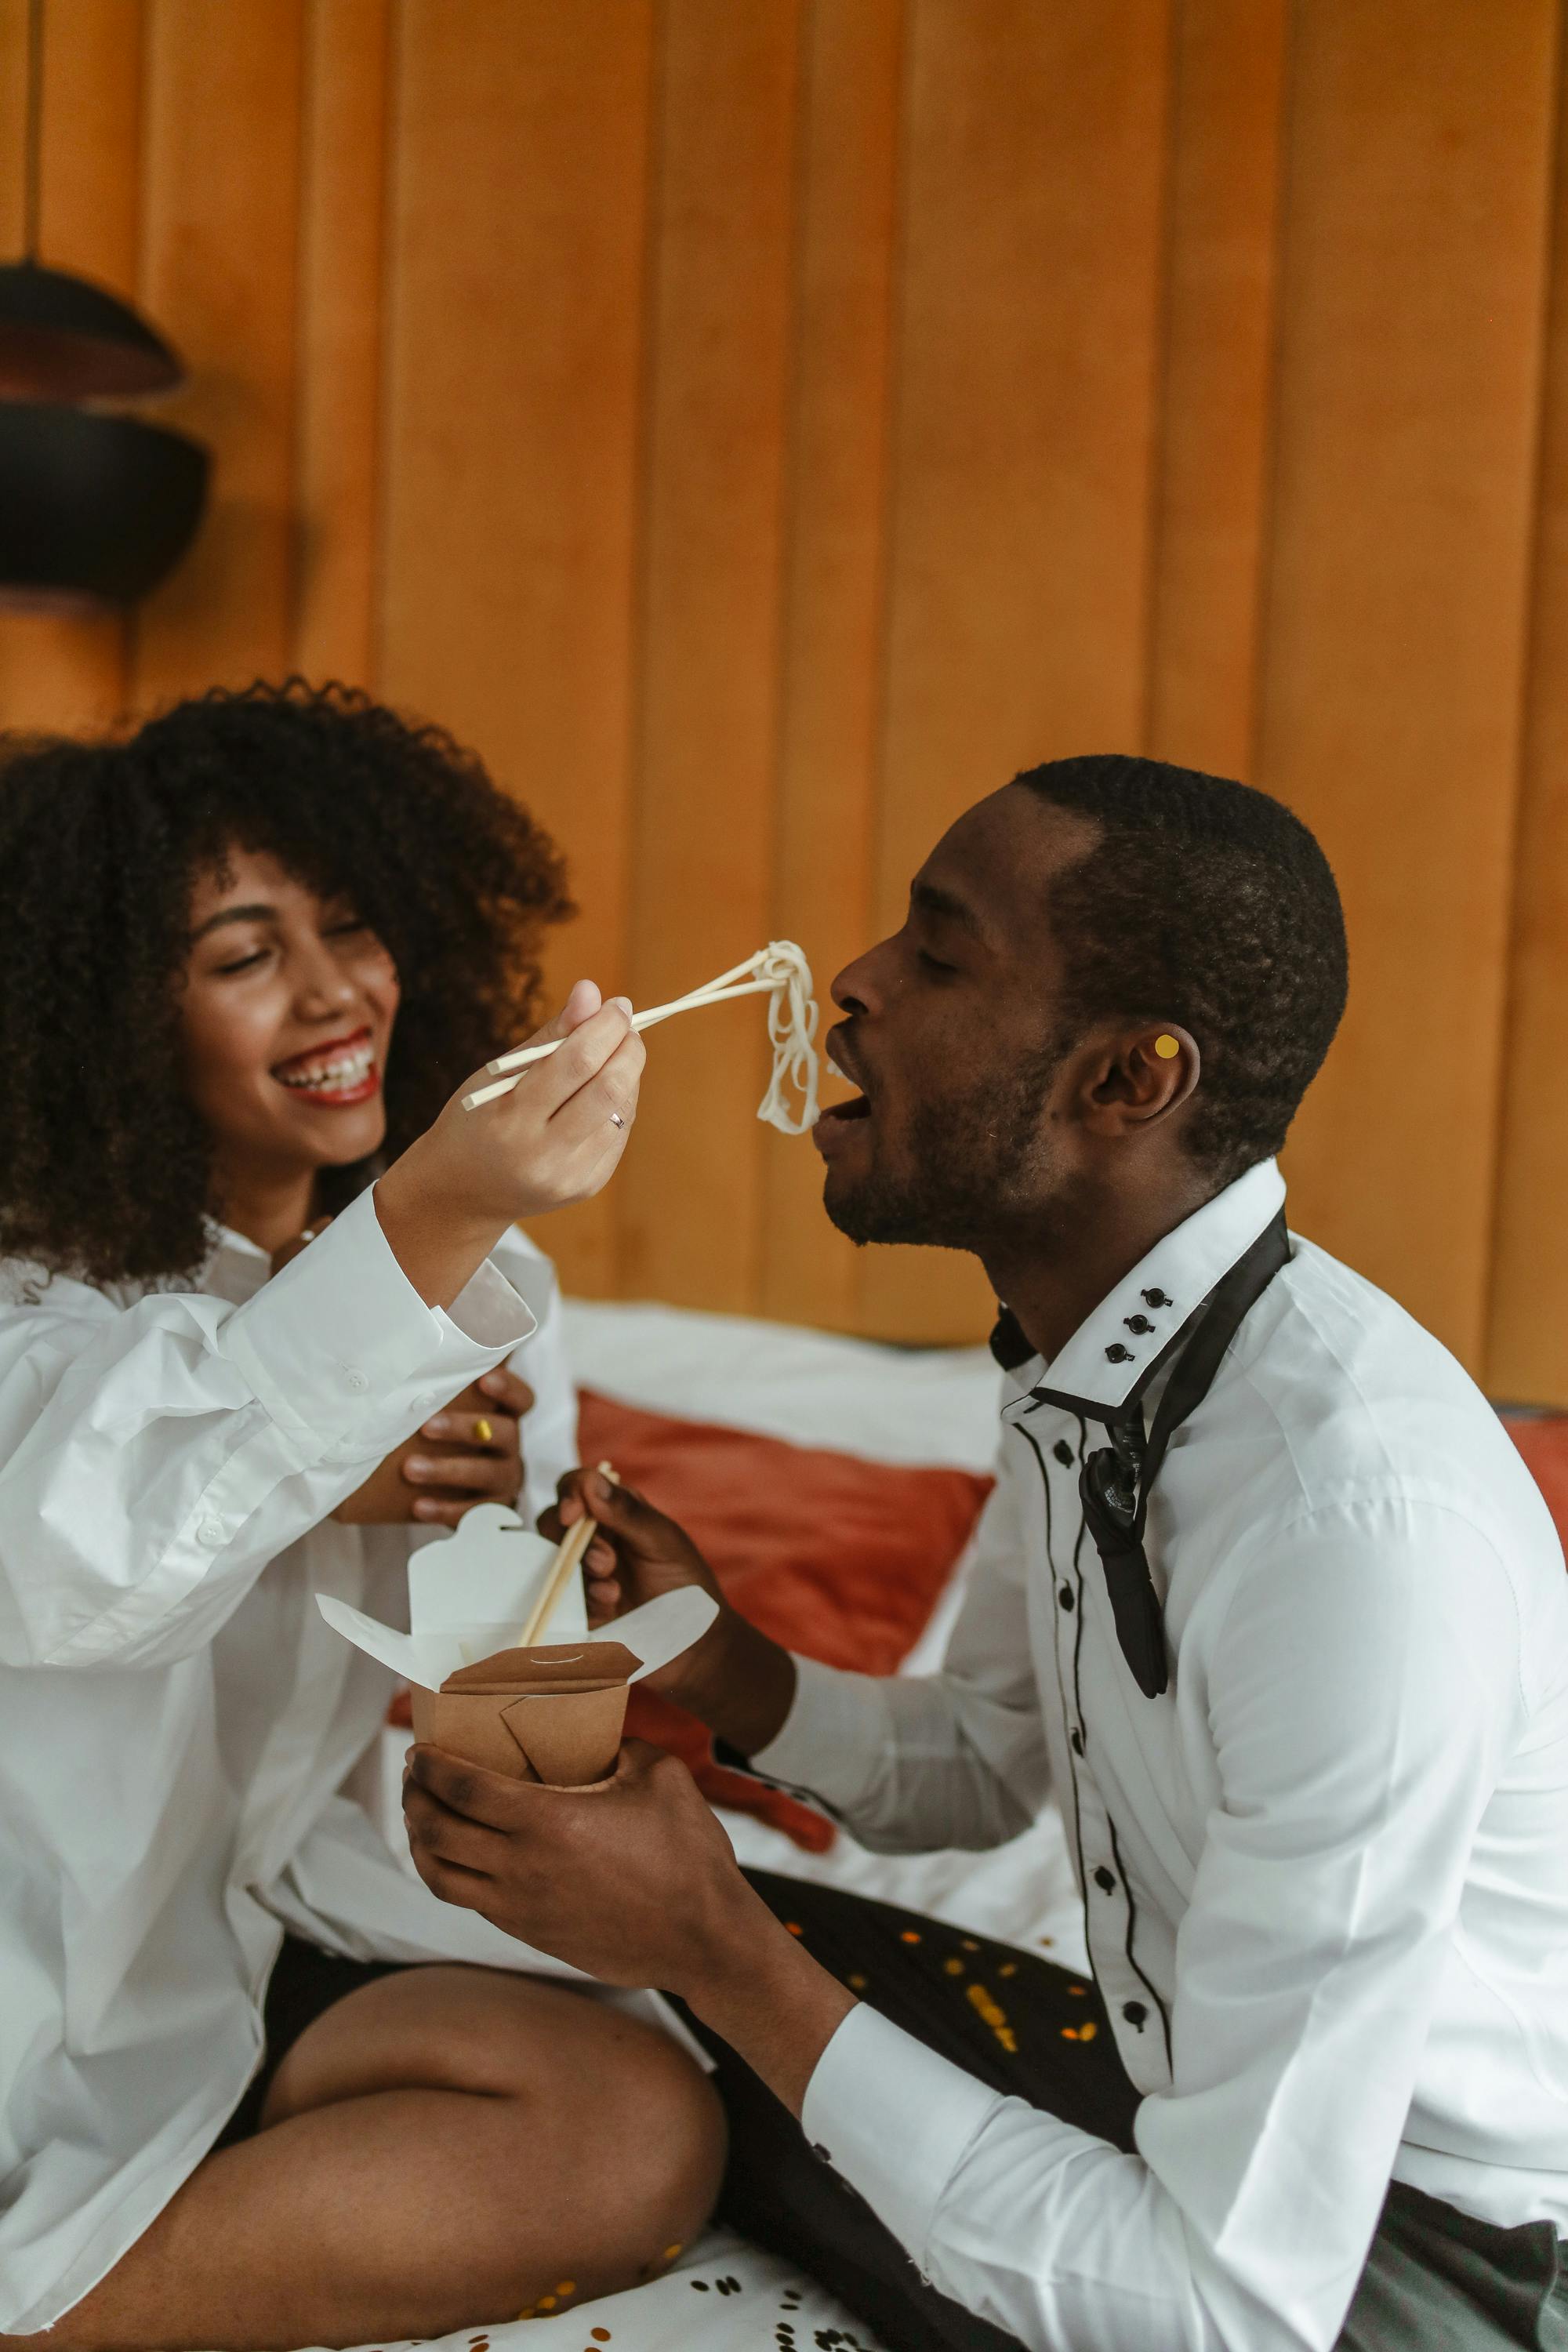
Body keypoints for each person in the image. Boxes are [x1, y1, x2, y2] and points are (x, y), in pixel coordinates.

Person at [403, 753, 1568, 2352]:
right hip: (1197, 2117)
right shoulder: (1086, 1362)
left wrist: (719, 1948)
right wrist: (717, 1656)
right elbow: (992, 1765)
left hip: (1425, 2264)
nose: (854, 982)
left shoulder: (1349, 1529)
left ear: (1129, 1079)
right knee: (616, 1987)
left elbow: (1229, 2308)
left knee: (713, 1981)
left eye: (938, 954)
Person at [0, 684, 723, 2352]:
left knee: (638, 2123)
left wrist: (533, 1580)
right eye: (244, 956)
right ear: (105, 1011)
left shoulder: (494, 1281)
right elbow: (77, 1568)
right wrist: (328, 1450)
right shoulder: (34, 1301)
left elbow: (481, 1716)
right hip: (43, 1948)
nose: (336, 993)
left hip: (256, 1907)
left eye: (351, 925)